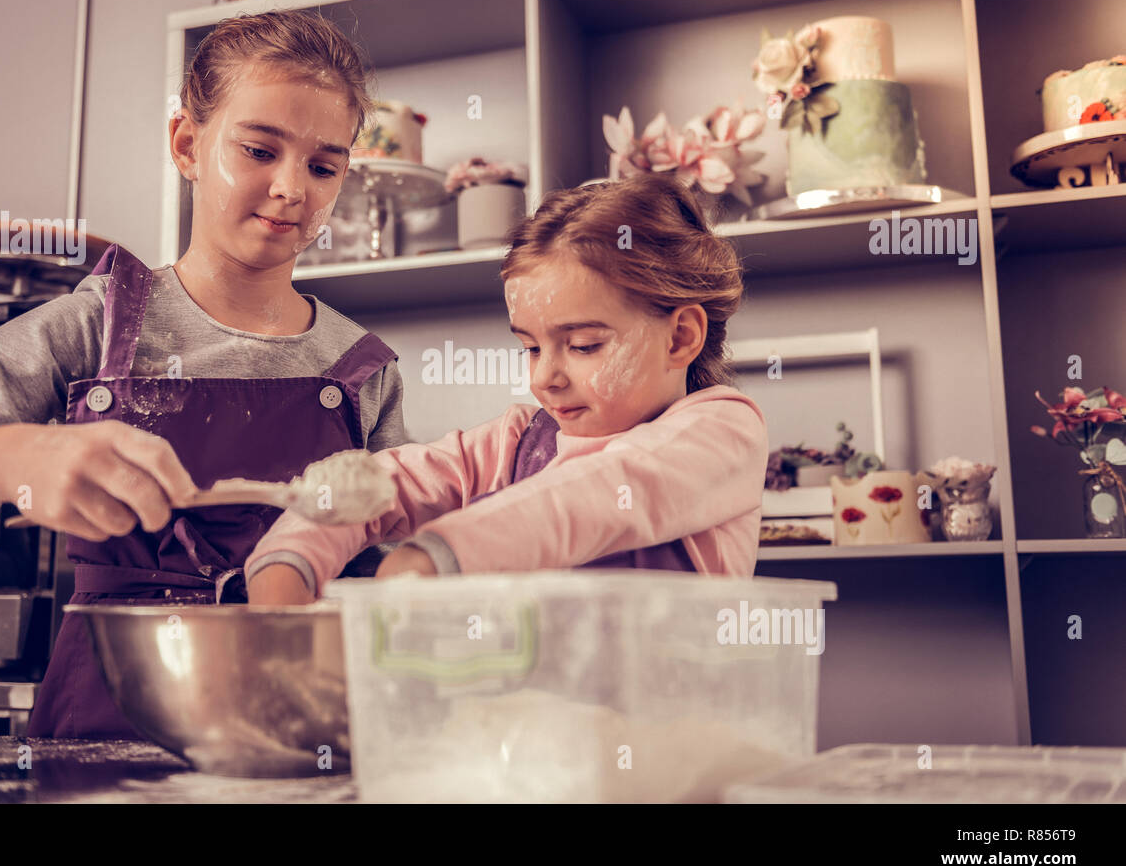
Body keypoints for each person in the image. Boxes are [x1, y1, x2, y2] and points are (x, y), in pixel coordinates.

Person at [0, 10, 409, 737]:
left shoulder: (363, 371)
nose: (293, 187)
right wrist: (7, 457)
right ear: (187, 145)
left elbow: (399, 574)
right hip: (103, 723)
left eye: (324, 166)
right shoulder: (95, 325)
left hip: (299, 729)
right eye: (259, 150)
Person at [245, 172, 766, 605]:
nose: (544, 378)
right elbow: (391, 482)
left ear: (681, 336)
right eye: (533, 348)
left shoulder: (723, 435)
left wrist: (439, 555)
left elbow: (592, 497)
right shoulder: (519, 442)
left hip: (675, 727)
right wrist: (292, 559)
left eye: (583, 345)